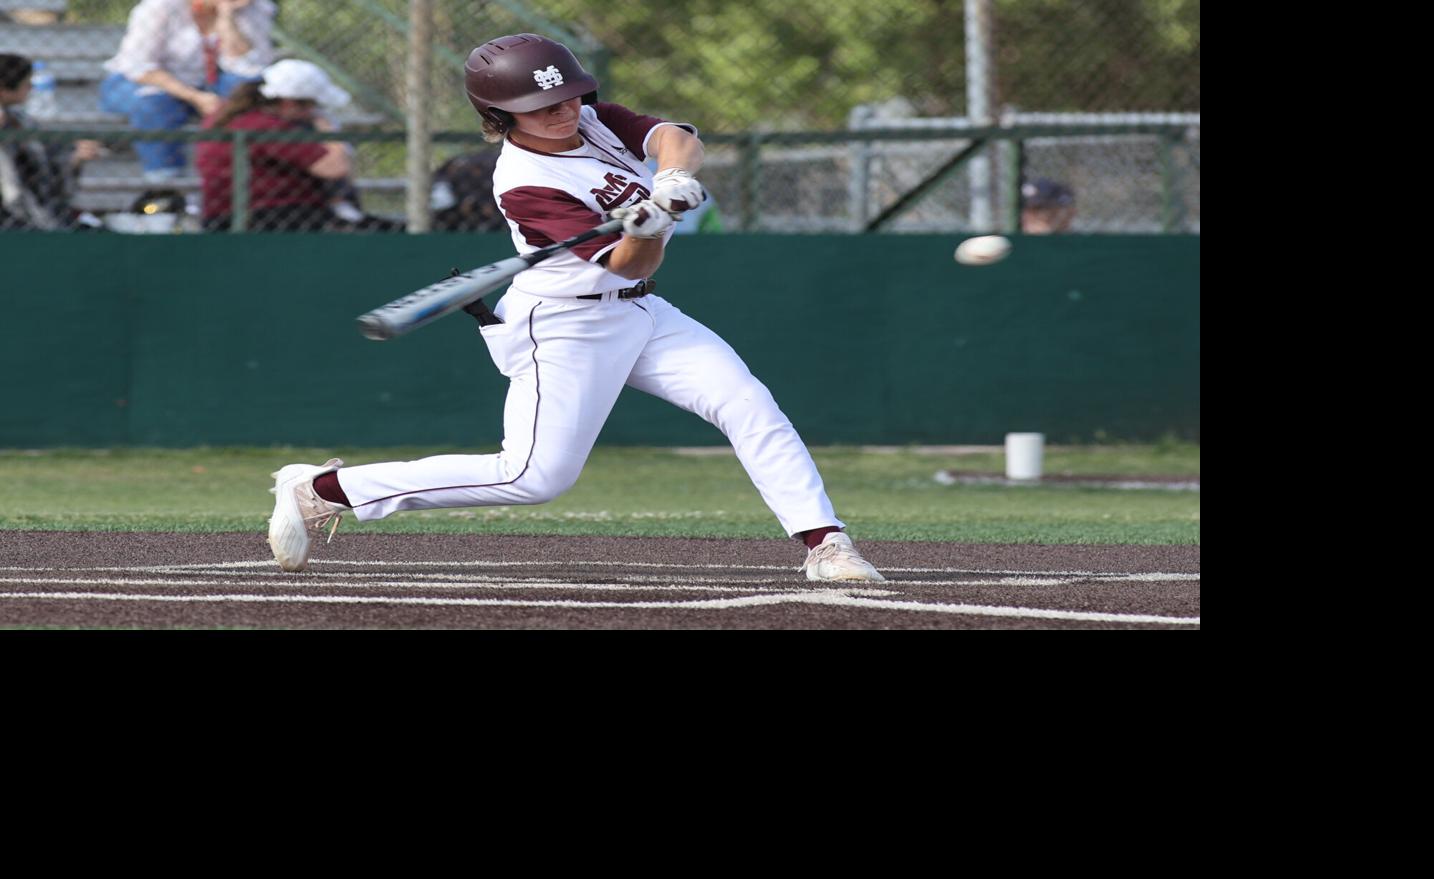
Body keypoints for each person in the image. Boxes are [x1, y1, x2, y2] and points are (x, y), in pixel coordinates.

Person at [266, 33, 884, 583]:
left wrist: (667, 182)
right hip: (566, 323)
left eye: (568, 96)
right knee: (531, 478)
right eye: (543, 106)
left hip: (642, 313)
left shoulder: (588, 119)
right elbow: (629, 262)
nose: (564, 111)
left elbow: (677, 137)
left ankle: (825, 544)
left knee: (746, 402)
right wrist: (645, 230)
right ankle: (322, 489)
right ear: (500, 113)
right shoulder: (526, 183)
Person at [99, 0, 276, 180]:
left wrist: (226, 18)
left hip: (206, 82)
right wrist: (196, 97)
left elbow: (249, 66)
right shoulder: (159, 7)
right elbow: (139, 67)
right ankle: (165, 183)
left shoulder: (256, 8)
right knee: (154, 103)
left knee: (246, 86)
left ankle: (243, 169)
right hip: (143, 81)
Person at [195, 59, 370, 232]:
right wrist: (328, 132)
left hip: (252, 216)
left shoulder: (228, 116)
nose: (312, 113)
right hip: (270, 217)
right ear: (289, 103)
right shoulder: (266, 125)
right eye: (311, 106)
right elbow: (335, 168)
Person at [1, 53, 105, 230]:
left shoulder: (23, 123)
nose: (30, 87)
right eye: (26, 82)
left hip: (34, 213)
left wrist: (76, 158)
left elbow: (48, 177)